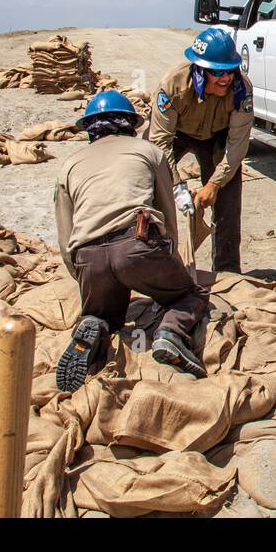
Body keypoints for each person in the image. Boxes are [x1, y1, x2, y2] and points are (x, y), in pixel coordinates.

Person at [54, 91, 210, 392]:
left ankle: (96, 325)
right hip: (137, 244)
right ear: (129, 125)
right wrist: (169, 259)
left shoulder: (70, 165)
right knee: (189, 296)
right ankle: (170, 333)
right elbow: (166, 211)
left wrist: (81, 275)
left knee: (106, 313)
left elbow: (65, 233)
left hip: (89, 256)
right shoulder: (148, 152)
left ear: (90, 129)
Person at [148, 28, 253, 273]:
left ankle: (227, 270)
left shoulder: (241, 90)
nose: (225, 78)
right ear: (199, 70)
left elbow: (238, 145)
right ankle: (153, 264)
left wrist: (214, 184)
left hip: (217, 136)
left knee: (227, 197)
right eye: (216, 72)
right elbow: (160, 142)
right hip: (177, 134)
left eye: (230, 70)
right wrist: (176, 186)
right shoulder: (172, 86)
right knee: (149, 178)